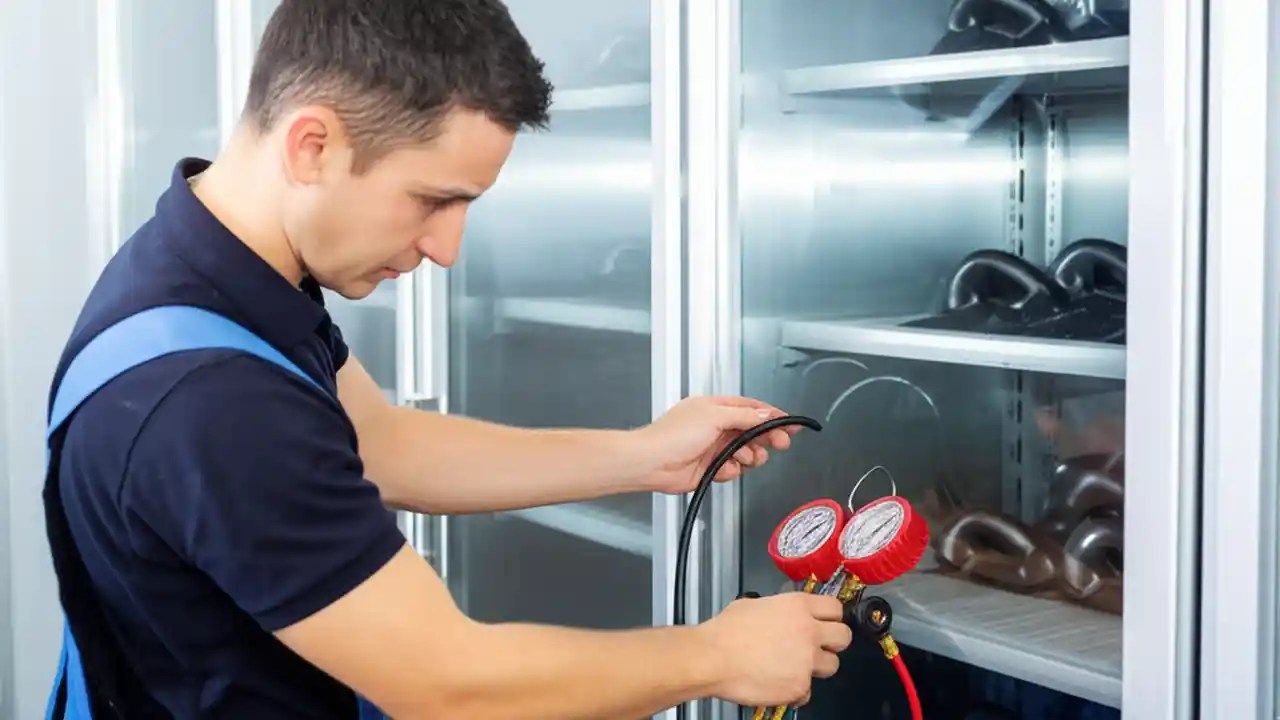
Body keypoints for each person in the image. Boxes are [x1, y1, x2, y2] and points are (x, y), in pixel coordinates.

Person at [43, 1, 852, 718]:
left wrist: (644, 456)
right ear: (312, 145)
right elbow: (450, 688)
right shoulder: (212, 401)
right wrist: (717, 656)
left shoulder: (211, 275)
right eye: (434, 200)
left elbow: (380, 443)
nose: (446, 249)